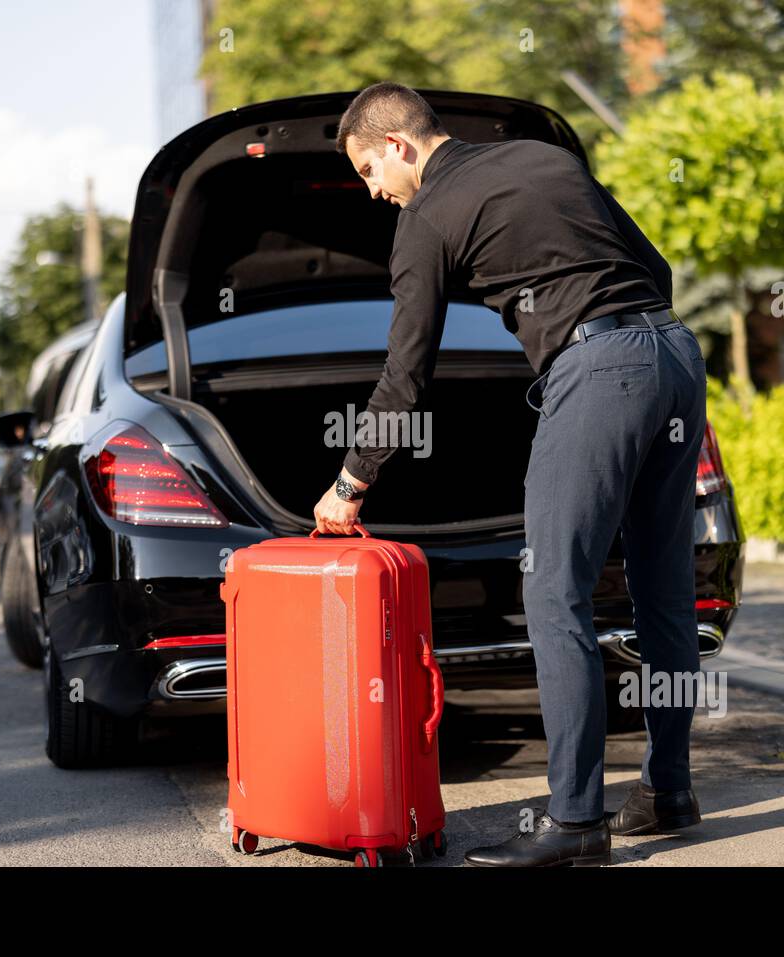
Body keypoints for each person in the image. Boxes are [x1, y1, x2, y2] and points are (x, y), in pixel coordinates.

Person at [314, 81, 707, 867]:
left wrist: (350, 483)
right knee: (664, 589)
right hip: (673, 356)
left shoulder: (425, 215)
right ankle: (668, 790)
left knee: (554, 589)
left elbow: (406, 375)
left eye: (367, 171)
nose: (373, 192)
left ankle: (574, 822)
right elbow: (654, 266)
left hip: (599, 373)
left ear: (398, 145)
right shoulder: (543, 157)